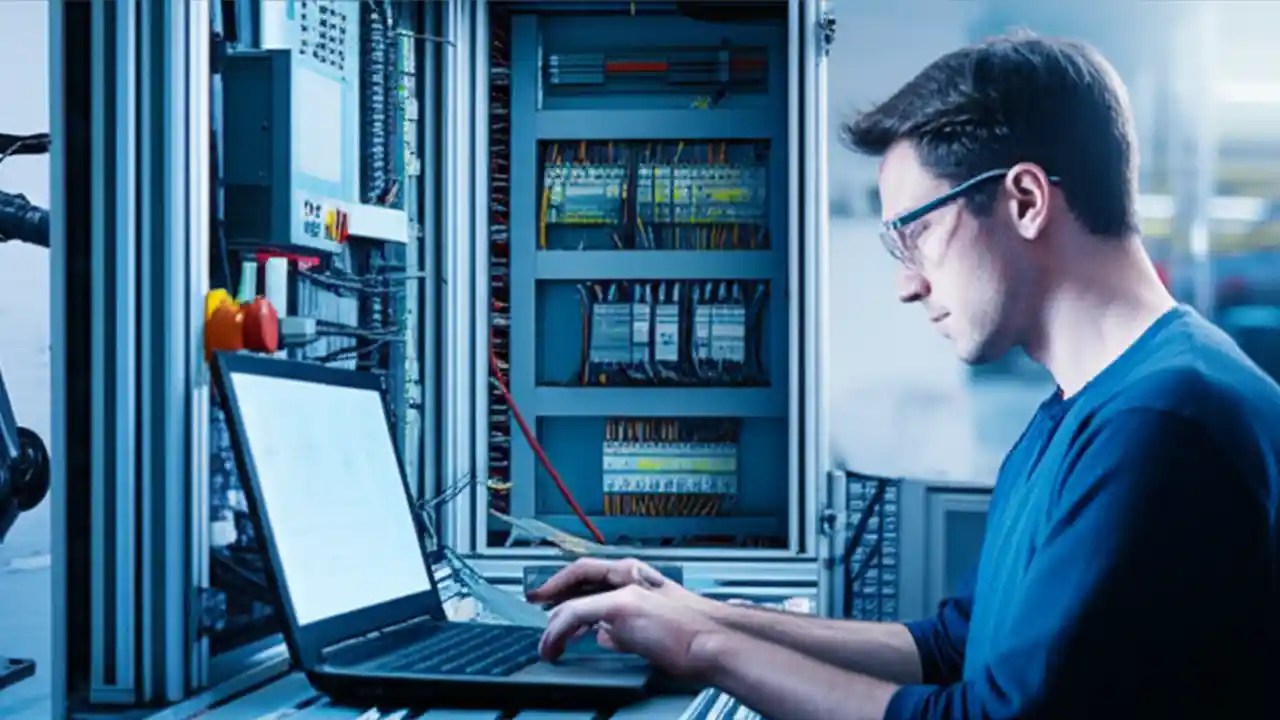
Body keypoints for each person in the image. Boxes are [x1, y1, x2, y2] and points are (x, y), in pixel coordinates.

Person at [527, 31, 1280, 720]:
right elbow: (952, 647)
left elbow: (988, 719)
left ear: (1024, 200)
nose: (907, 284)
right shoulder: (1091, 405)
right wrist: (697, 611)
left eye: (915, 235)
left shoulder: (1163, 422)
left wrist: (705, 653)